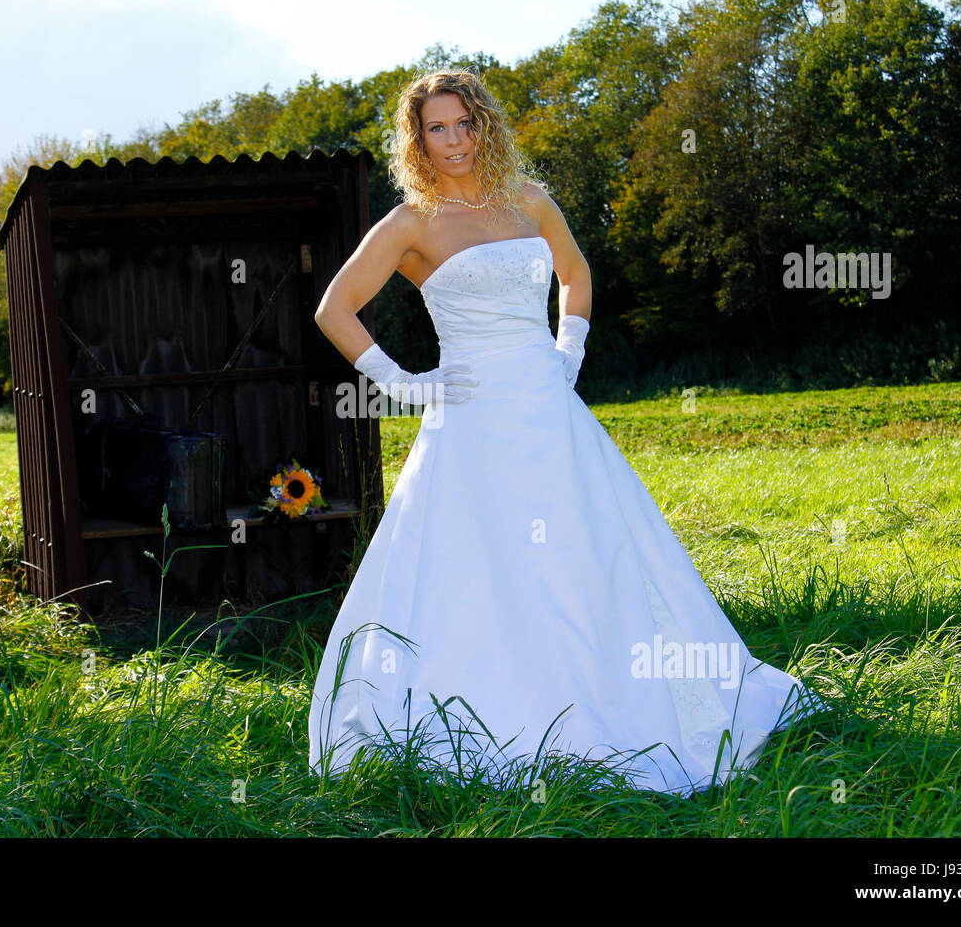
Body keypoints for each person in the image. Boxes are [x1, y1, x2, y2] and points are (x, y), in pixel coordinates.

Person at [307, 67, 826, 795]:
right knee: (478, 567)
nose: (454, 140)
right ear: (417, 140)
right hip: (469, 423)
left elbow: (575, 274)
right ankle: (500, 712)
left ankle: (624, 697)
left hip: (548, 410)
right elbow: (335, 309)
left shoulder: (528, 200)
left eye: (465, 123)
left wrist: (566, 357)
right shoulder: (410, 224)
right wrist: (404, 384)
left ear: (484, 124)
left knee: (598, 553)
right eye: (437, 128)